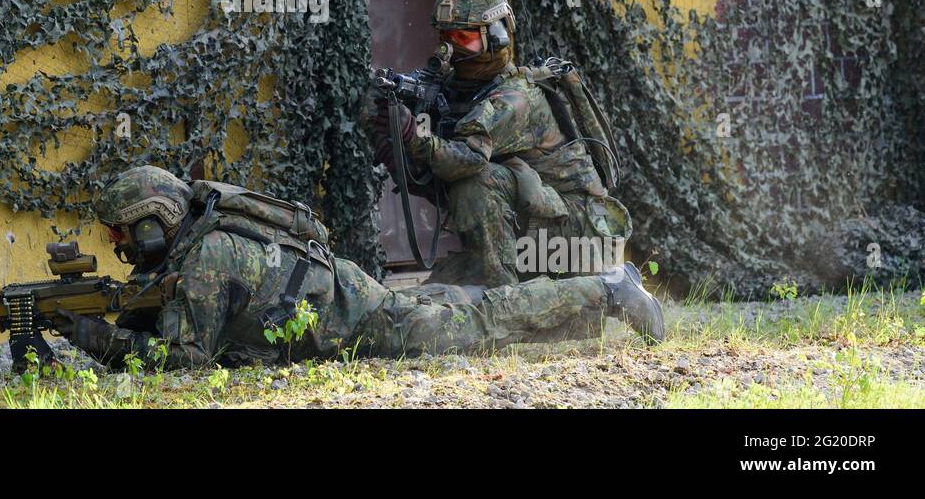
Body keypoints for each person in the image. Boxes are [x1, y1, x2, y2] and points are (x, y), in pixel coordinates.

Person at [56, 166, 663, 370]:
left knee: (479, 324)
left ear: (152, 223)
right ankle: (595, 292)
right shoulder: (198, 243)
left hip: (357, 318)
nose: (123, 248)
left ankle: (606, 288)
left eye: (124, 234)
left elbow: (184, 360)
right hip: (347, 298)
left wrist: (92, 337)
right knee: (460, 308)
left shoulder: (205, 258)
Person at [373, 0, 633, 287]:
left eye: (462, 37)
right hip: (535, 227)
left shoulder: (515, 98)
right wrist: (392, 144)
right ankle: (502, 285)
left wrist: (412, 135)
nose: (451, 49)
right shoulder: (459, 89)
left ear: (496, 36)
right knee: (433, 298)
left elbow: (465, 161)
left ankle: (509, 302)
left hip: (575, 236)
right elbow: (437, 178)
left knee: (475, 179)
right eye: (445, 38)